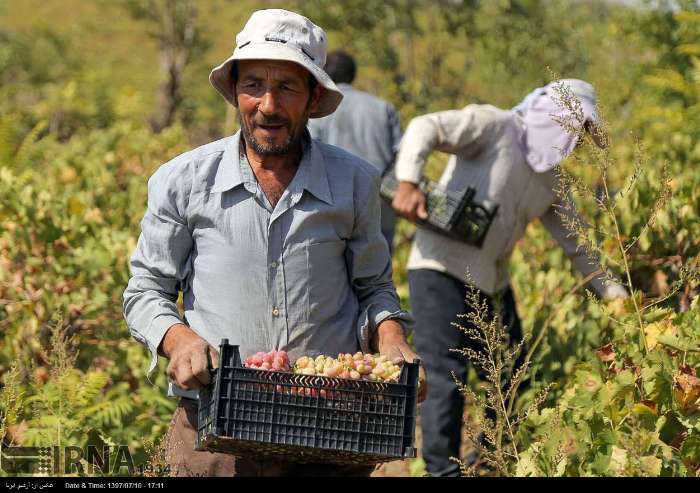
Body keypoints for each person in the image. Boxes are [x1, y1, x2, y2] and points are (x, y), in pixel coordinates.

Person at [123, 9, 425, 477]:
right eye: (253, 86)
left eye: (286, 87)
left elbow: (373, 287)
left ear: (313, 98)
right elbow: (145, 290)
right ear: (235, 92)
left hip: (329, 427)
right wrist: (177, 337)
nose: (267, 104)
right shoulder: (182, 181)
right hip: (216, 427)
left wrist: (391, 335)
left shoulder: (355, 182)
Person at [391, 79, 628, 477]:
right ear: (549, 111)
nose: (573, 136)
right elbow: (425, 126)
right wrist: (409, 181)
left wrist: (616, 294)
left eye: (580, 130)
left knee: (512, 374)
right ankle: (440, 471)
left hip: (490, 282)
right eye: (571, 123)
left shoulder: (551, 179)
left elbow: (579, 247)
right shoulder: (494, 125)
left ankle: (487, 458)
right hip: (439, 266)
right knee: (448, 373)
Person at [308, 51, 402, 251]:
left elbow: (309, 152)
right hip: (379, 202)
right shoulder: (383, 107)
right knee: (379, 269)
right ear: (353, 74)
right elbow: (401, 155)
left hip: (333, 203)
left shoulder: (318, 110)